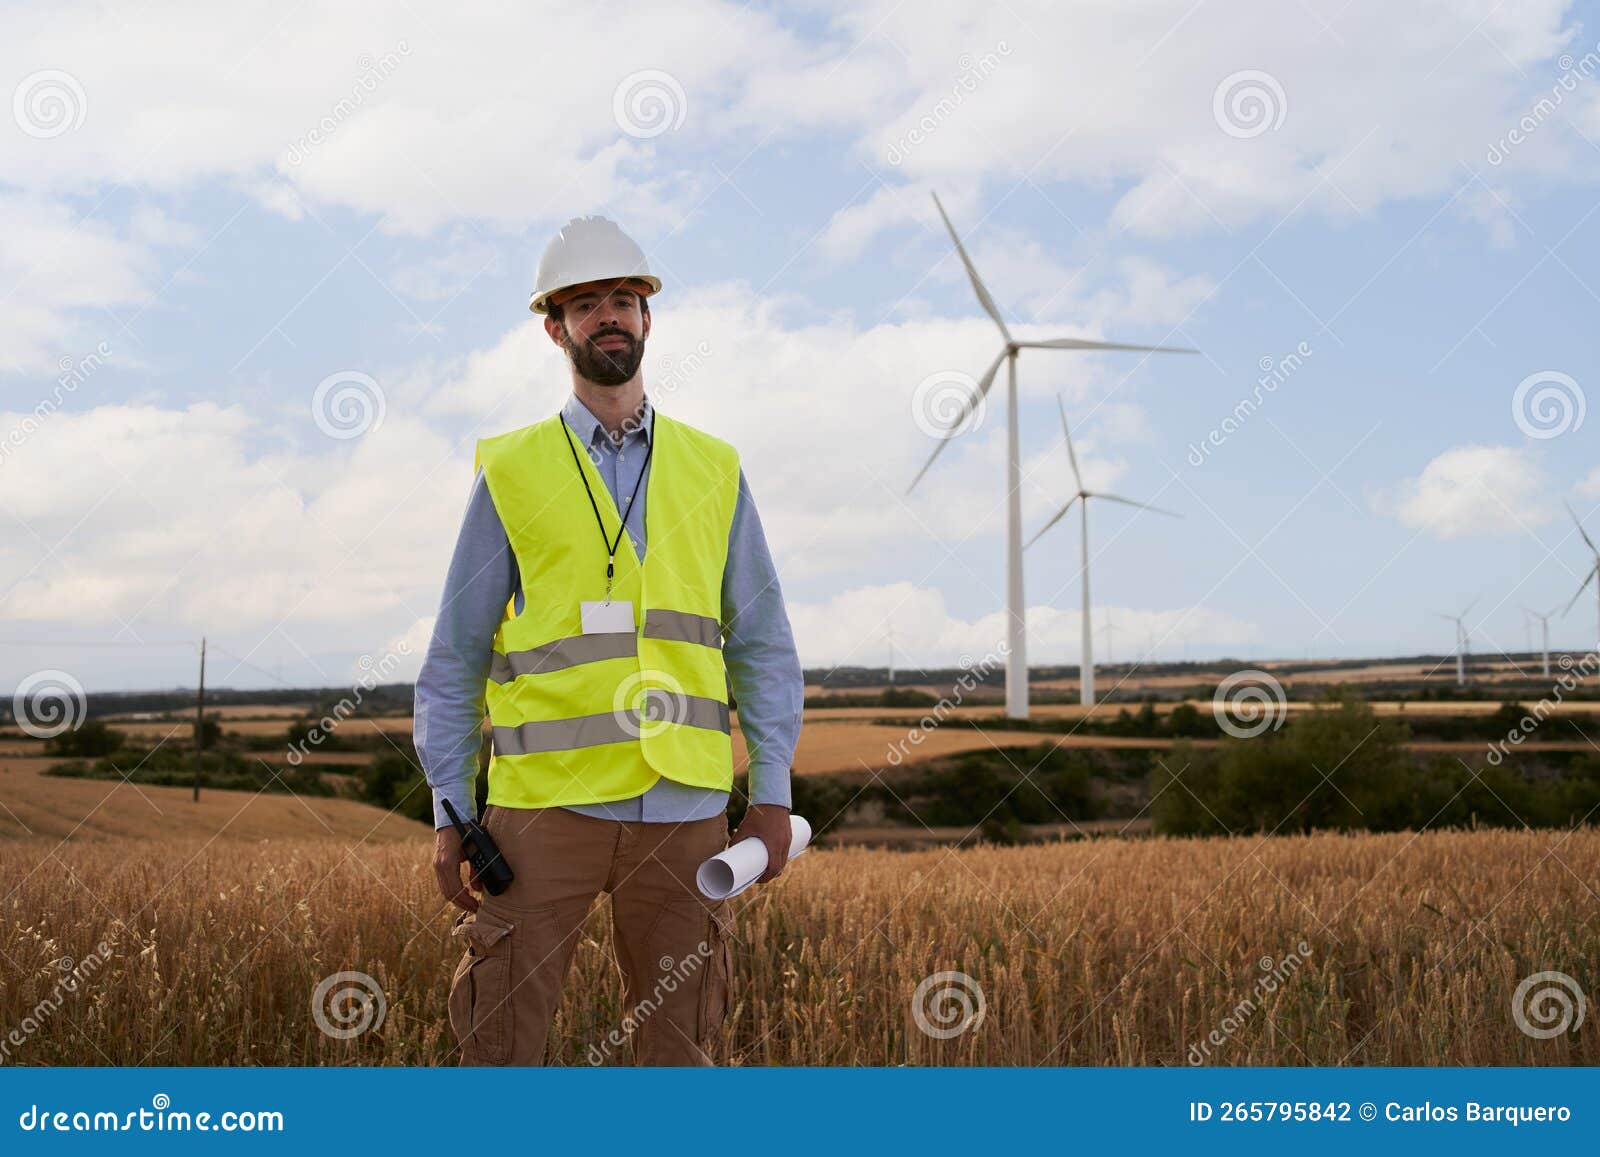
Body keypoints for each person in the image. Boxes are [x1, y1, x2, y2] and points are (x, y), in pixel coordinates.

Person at [413, 214, 803, 1066]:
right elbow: (454, 659)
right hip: (540, 817)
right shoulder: (513, 470)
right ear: (555, 329)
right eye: (584, 305)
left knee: (679, 1058)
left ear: (649, 317)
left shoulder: (715, 468)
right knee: (499, 1049)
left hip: (687, 813)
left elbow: (763, 644)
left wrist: (769, 793)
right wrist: (451, 809)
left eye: (622, 299)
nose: (608, 317)